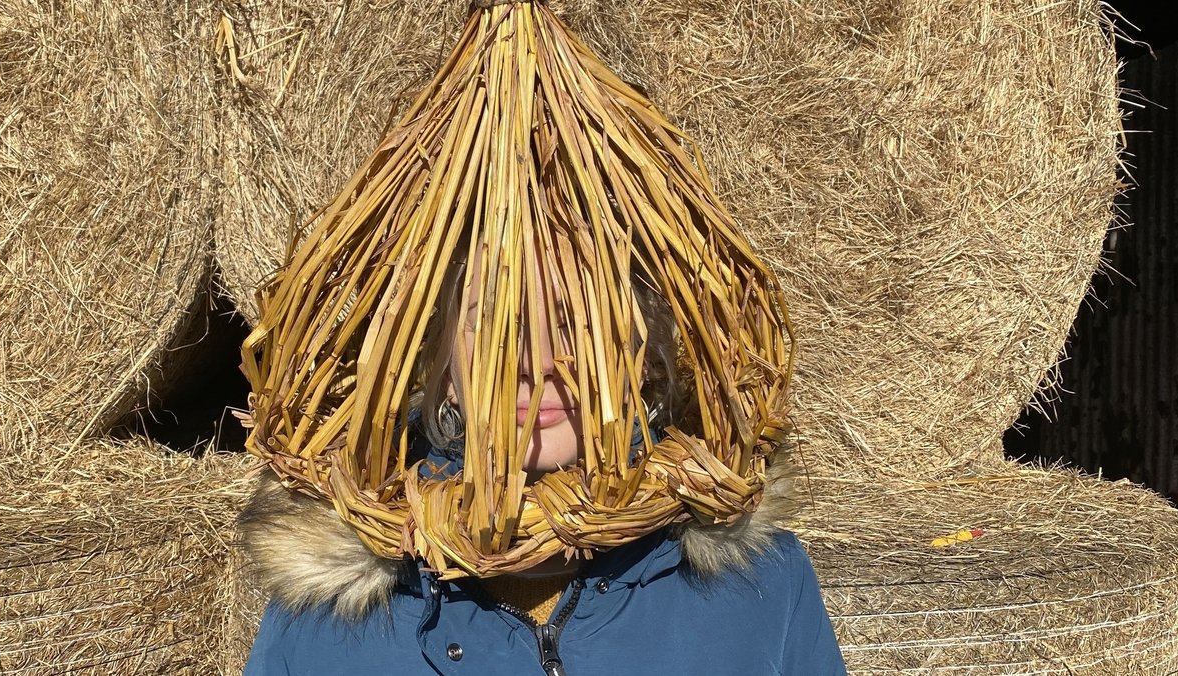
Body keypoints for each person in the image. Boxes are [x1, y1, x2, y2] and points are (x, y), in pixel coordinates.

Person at [239, 258, 848, 675]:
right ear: (442, 360)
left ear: (639, 352)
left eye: (574, 318)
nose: (536, 360)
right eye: (491, 318)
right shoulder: (326, 614)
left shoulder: (761, 585)